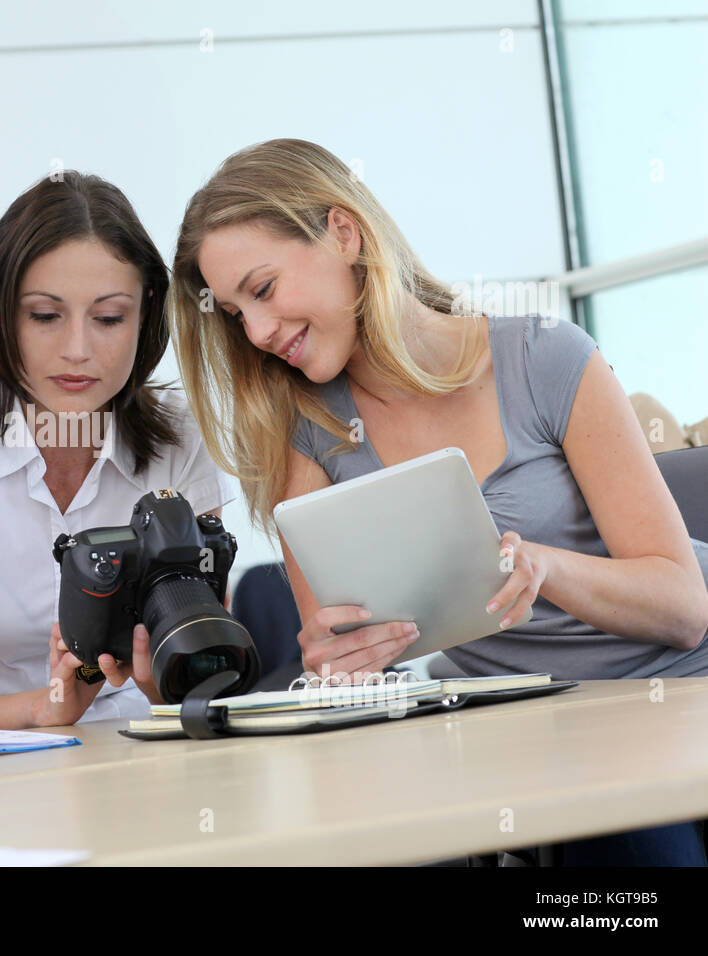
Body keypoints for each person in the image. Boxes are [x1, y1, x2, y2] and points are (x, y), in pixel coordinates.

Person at [169, 137, 708, 865]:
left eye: (262, 290)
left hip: (685, 693)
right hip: (559, 735)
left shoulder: (544, 356)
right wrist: (340, 668)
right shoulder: (309, 434)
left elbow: (683, 608)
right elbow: (339, 658)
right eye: (234, 315)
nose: (259, 333)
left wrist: (543, 568)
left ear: (344, 233)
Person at [0, 172, 236, 728]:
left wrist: (163, 684)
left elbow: (200, 674)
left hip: (141, 755)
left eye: (110, 318)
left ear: (145, 318)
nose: (77, 350)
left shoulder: (182, 443)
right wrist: (48, 708)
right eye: (45, 316)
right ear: (2, 315)